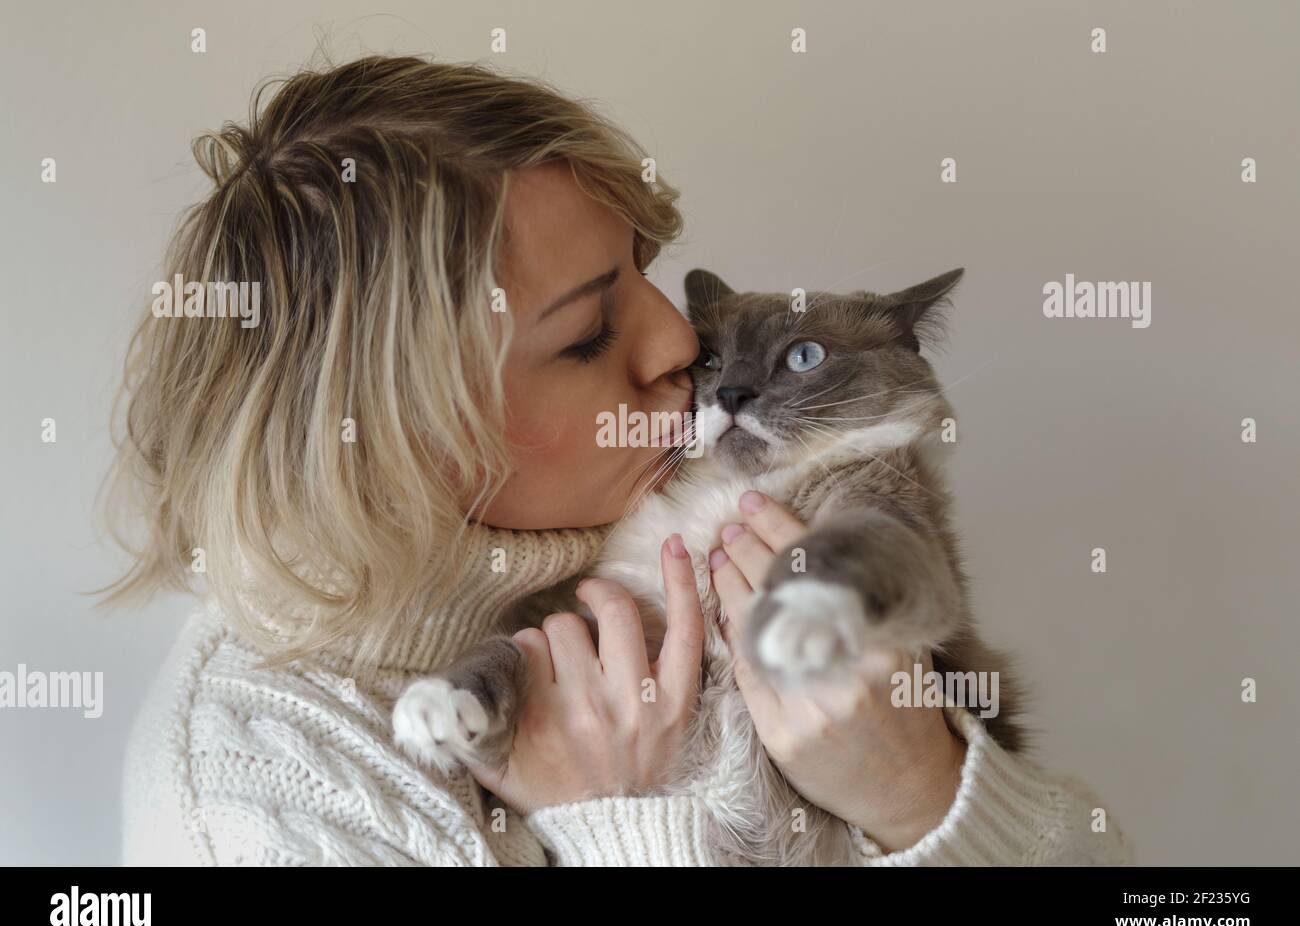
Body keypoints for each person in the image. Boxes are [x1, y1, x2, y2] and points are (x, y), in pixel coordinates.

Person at [113, 55, 1129, 865]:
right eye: (590, 334)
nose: (681, 347)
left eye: (644, 272)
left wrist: (922, 790)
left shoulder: (684, 514)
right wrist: (620, 822)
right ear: (405, 440)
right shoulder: (260, 807)